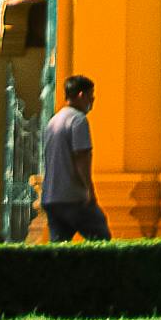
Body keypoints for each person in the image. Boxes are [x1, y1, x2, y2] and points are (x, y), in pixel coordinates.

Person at [40, 75, 111, 243]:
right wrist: (90, 191)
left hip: (51, 198)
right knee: (101, 239)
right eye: (90, 95)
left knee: (59, 249)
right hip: (73, 197)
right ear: (81, 95)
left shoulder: (53, 121)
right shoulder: (78, 121)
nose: (92, 100)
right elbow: (81, 158)